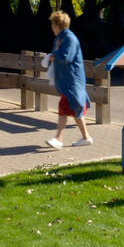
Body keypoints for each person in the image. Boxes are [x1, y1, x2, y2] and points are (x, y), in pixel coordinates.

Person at [45, 10, 92, 148]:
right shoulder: (61, 38)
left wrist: (54, 55)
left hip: (72, 82)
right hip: (68, 81)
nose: (51, 27)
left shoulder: (69, 39)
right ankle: (86, 137)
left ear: (57, 25)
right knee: (75, 110)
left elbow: (66, 57)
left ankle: (58, 139)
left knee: (64, 109)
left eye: (53, 24)